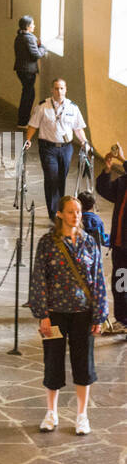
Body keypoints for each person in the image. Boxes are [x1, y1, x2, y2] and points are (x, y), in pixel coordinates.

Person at [27, 196, 107, 434]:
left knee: (84, 364)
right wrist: (42, 314)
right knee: (52, 361)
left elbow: (98, 279)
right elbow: (39, 279)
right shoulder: (47, 243)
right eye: (71, 212)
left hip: (83, 314)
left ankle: (82, 416)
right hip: (55, 314)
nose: (76, 216)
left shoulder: (89, 243)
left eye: (79, 212)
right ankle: (51, 412)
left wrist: (99, 315)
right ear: (60, 214)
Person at [24, 78, 91, 221]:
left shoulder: (73, 107)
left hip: (66, 148)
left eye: (61, 88)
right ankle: (53, 212)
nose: (59, 91)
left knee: (61, 178)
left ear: (66, 89)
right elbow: (33, 125)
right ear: (51, 90)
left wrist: (84, 142)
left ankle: (61, 209)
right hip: (48, 147)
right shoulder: (43, 106)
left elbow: (78, 128)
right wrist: (28, 140)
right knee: (51, 177)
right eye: (56, 88)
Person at [96, 143, 127, 334]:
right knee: (121, 284)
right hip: (120, 245)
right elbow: (105, 190)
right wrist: (107, 169)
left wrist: (122, 159)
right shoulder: (123, 182)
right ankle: (123, 321)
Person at [13, 15, 46, 129]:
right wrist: (42, 47)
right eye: (32, 24)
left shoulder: (19, 37)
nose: (34, 26)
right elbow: (36, 54)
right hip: (28, 71)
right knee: (28, 95)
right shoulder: (29, 38)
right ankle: (23, 122)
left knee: (27, 94)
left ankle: (22, 120)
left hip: (21, 69)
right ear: (27, 26)